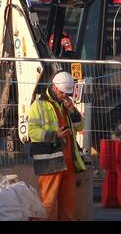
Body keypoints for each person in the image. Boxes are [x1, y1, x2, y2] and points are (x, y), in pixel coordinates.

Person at [25, 71, 86, 220]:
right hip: (50, 161)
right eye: (63, 92)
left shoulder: (66, 105)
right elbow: (32, 132)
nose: (65, 95)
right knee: (48, 202)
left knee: (68, 203)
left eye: (67, 93)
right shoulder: (39, 105)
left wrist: (72, 109)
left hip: (68, 162)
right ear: (55, 87)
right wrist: (54, 135)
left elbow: (80, 126)